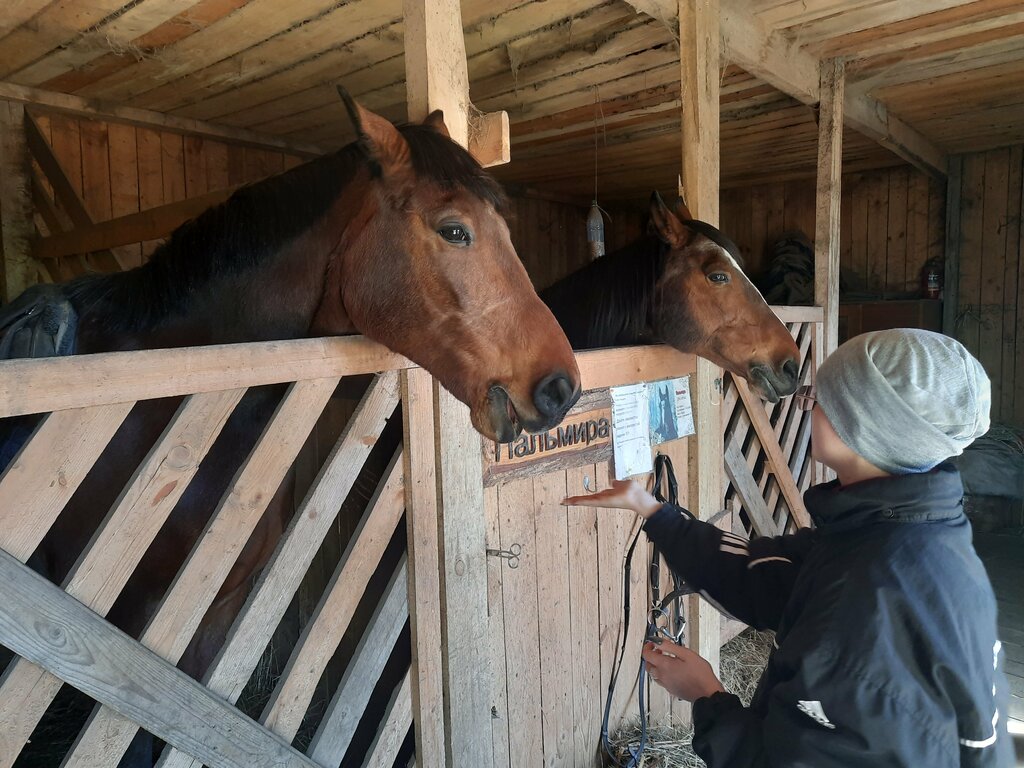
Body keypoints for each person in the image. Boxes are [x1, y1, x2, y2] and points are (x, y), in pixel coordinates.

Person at [563, 329, 1013, 767]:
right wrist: (653, 510)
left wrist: (704, 694)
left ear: (864, 426)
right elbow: (762, 578)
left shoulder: (863, 608)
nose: (807, 404)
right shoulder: (898, 533)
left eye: (826, 398)